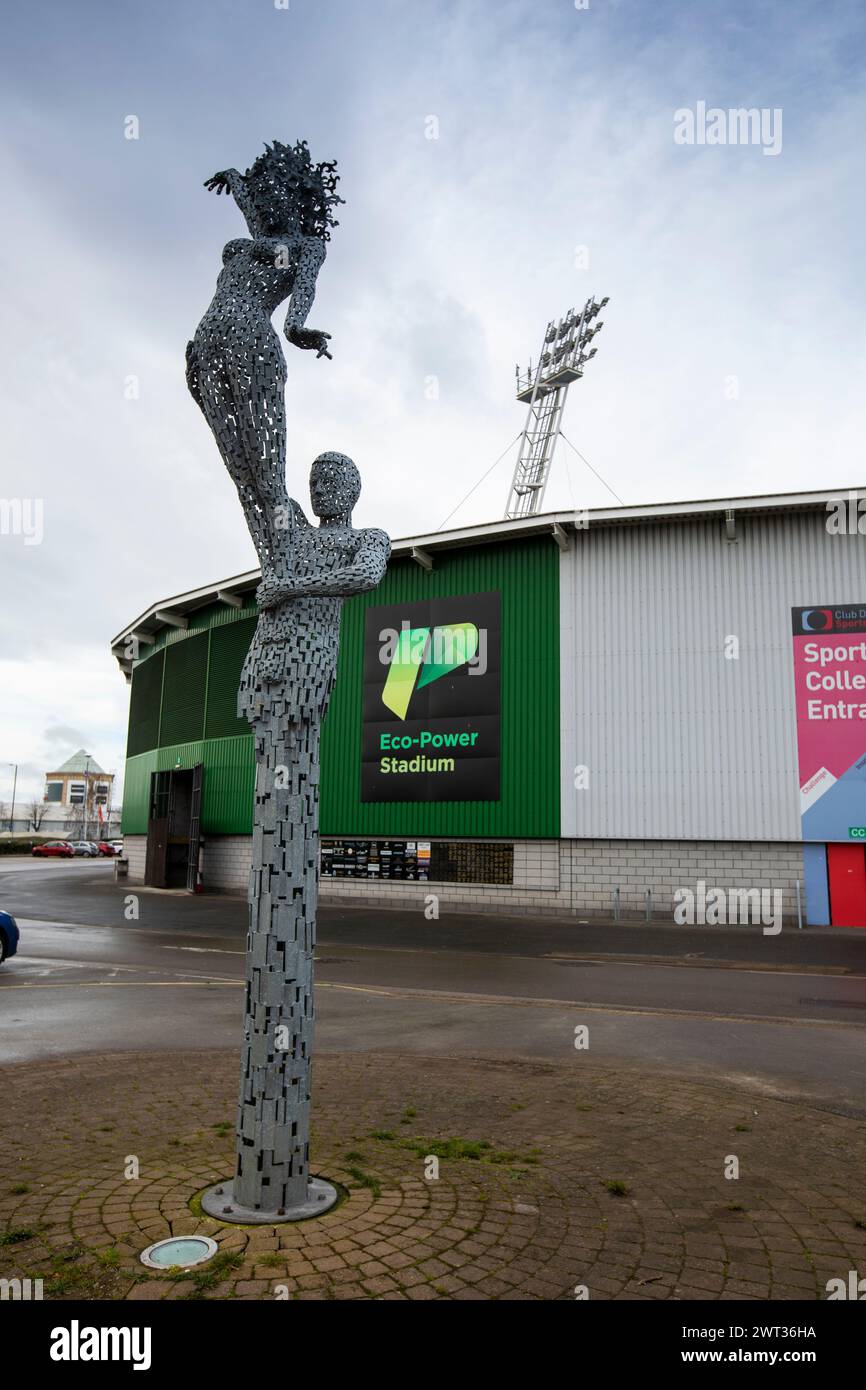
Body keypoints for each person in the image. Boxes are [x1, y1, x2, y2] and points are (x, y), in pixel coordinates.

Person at [185, 140, 342, 576]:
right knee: (238, 467)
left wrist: (299, 331)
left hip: (252, 342)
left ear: (296, 196)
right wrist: (234, 177)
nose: (267, 200)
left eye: (277, 193)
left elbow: (303, 292)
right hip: (206, 345)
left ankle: (289, 556)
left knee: (264, 467)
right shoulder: (258, 235)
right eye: (262, 192)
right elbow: (247, 206)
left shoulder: (306, 246)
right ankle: (271, 560)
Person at [239, 452, 390, 727]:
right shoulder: (293, 530)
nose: (319, 490)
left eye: (329, 482)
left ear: (352, 490)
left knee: (297, 731)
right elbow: (262, 489)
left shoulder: (366, 537)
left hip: (310, 653)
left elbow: (366, 574)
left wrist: (288, 589)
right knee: (264, 735)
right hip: (264, 650)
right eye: (313, 484)